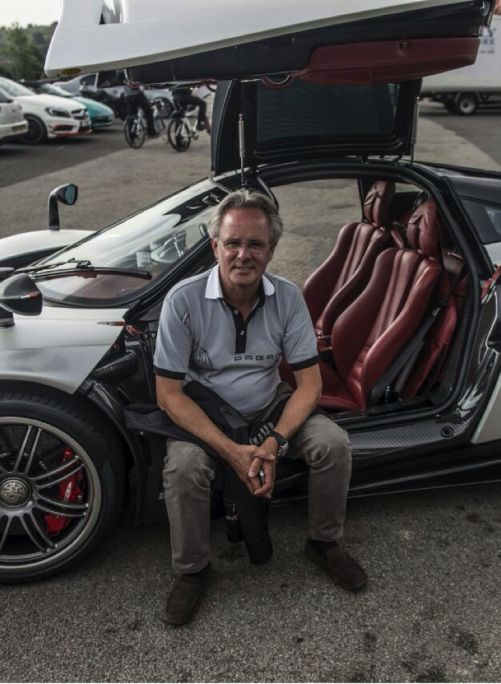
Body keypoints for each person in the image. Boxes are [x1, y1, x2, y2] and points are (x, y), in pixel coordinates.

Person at [153, 189, 366, 626]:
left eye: (255, 244)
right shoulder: (183, 301)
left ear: (272, 249)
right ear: (215, 246)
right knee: (185, 469)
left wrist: (272, 443)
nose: (243, 254)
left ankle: (324, 543)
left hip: (271, 405)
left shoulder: (289, 298)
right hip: (207, 412)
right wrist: (232, 450)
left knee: (333, 444)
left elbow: (309, 384)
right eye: (232, 242)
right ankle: (192, 569)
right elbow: (168, 394)